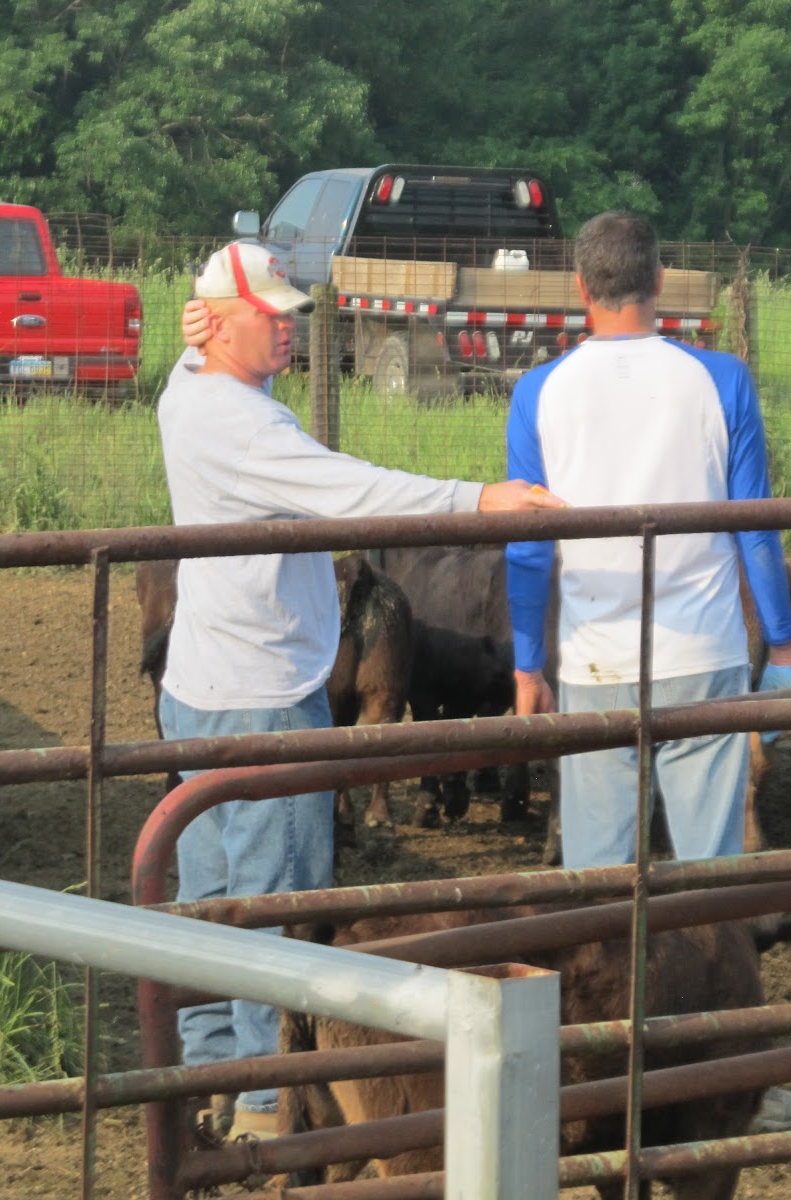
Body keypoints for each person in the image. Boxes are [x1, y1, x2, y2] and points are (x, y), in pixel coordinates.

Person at [160, 240, 562, 1142]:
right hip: (265, 690)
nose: (289, 330)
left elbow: (194, 373)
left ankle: (209, 1077)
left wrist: (194, 344)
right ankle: (264, 1102)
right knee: (278, 897)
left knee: (209, 896)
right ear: (220, 324)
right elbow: (354, 491)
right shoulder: (246, 426)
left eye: (289, 314)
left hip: (201, 681)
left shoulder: (187, 395)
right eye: (270, 315)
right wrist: (477, 499)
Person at [503, 210, 791, 1133]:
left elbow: (527, 547)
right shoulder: (720, 379)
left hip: (594, 661)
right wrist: (782, 648)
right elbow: (753, 525)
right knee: (710, 889)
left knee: (595, 894)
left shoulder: (539, 393)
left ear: (580, 289)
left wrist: (527, 661)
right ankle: (723, 1082)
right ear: (662, 280)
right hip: (702, 658)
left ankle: (592, 1088)